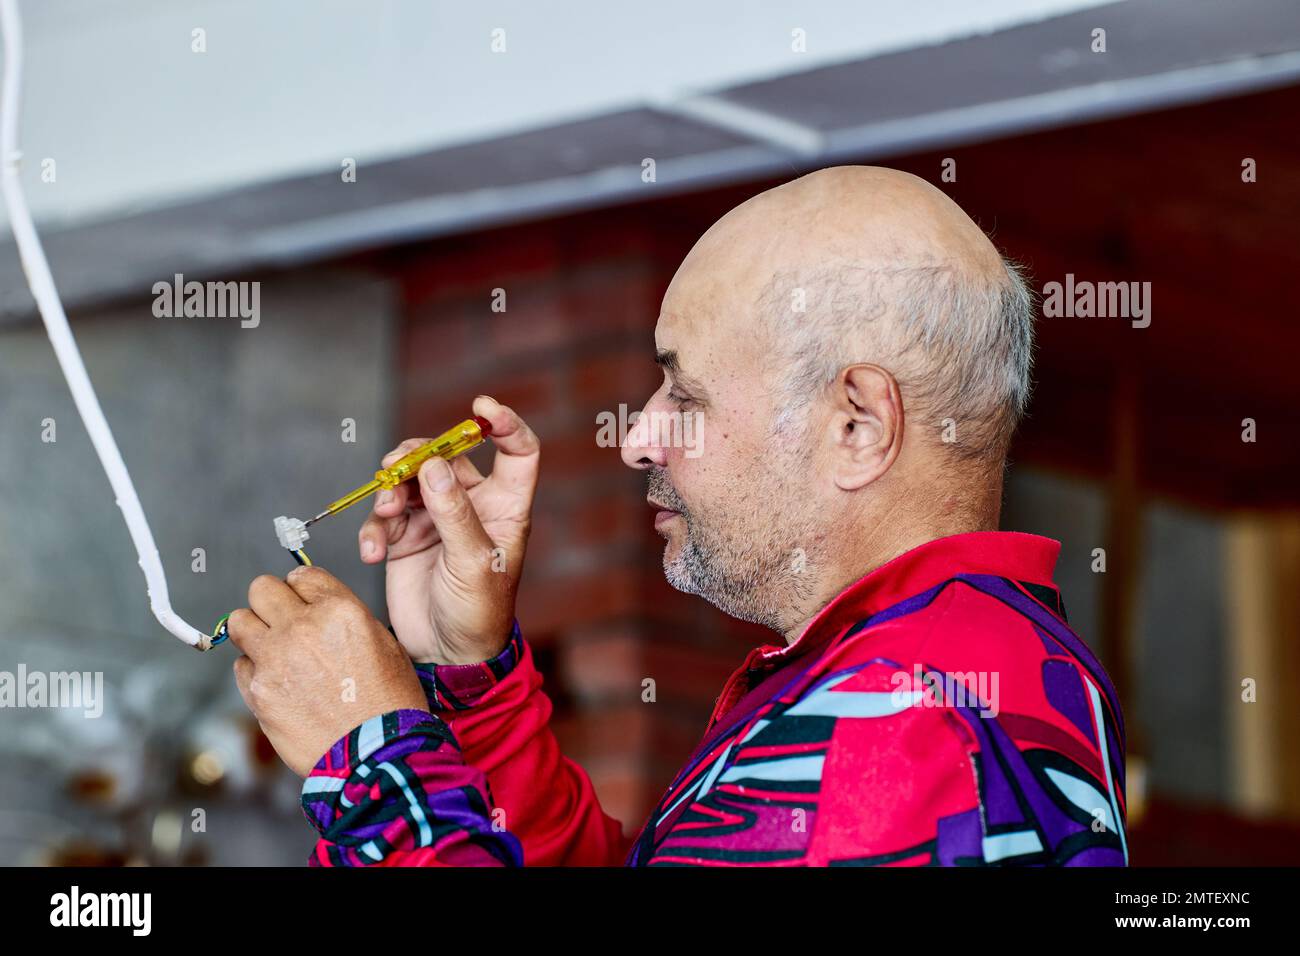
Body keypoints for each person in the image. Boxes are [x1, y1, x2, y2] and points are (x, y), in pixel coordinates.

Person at [229, 166, 1127, 866]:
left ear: (859, 424)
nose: (640, 437)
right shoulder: (965, 665)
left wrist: (372, 765)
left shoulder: (898, 715)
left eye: (683, 392)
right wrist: (473, 682)